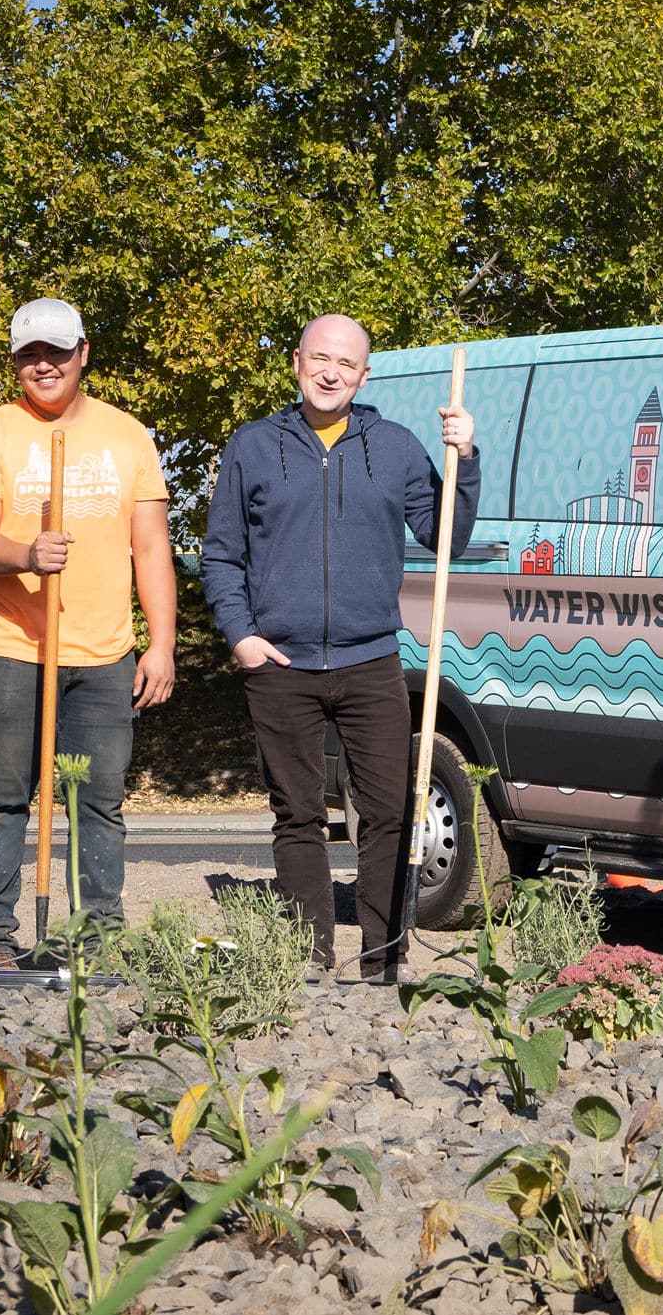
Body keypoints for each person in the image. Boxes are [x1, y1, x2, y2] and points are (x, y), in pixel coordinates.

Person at [201, 313, 479, 980]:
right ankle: (310, 957)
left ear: (364, 374)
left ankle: (383, 961)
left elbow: (449, 539)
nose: (331, 372)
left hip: (371, 659)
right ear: (297, 361)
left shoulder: (400, 447)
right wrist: (242, 636)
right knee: (297, 814)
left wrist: (464, 460)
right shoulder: (252, 446)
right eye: (320, 358)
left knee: (387, 812)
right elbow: (220, 556)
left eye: (346, 363)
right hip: (281, 663)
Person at [0, 298, 177, 969]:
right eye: (28, 354)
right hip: (9, 644)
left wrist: (159, 642)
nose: (42, 364)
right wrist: (25, 555)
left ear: (83, 352)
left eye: (55, 351)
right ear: (15, 361)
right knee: (2, 793)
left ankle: (96, 938)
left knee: (98, 800)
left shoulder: (128, 435)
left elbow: (153, 549)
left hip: (104, 652)